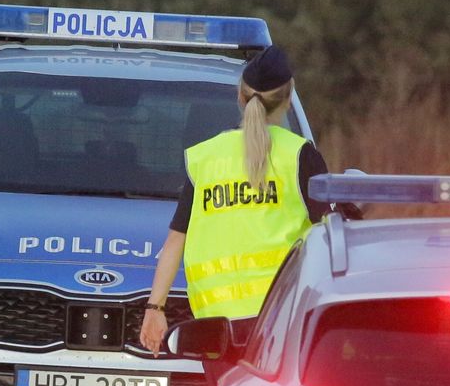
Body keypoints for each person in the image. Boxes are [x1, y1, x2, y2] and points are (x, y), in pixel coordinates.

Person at [139, 45, 331, 357]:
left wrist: (154, 308)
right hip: (280, 320)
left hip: (216, 327)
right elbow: (329, 235)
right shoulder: (299, 155)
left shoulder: (205, 158)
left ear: (240, 97)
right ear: (288, 96)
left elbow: (176, 240)